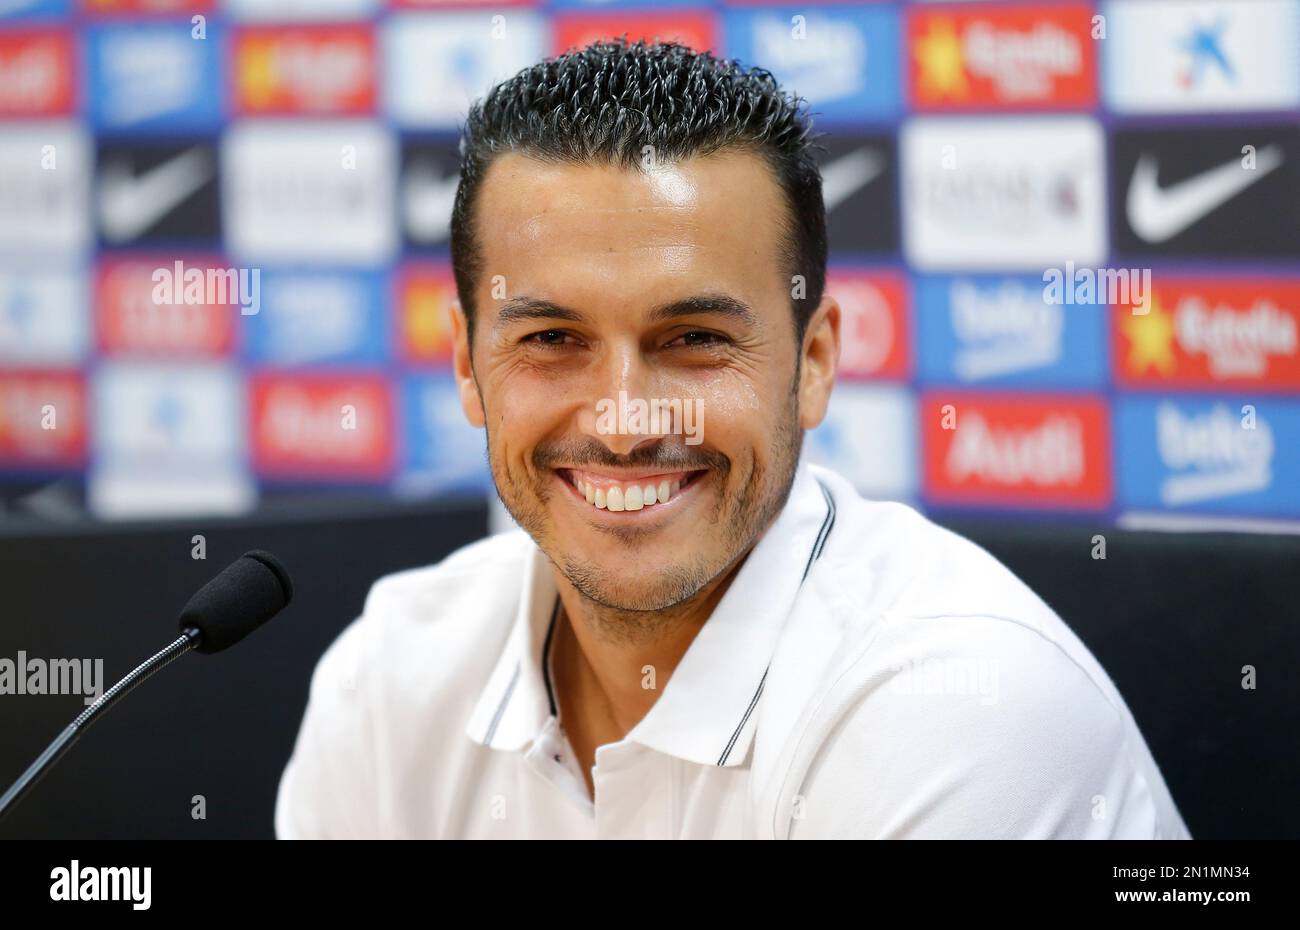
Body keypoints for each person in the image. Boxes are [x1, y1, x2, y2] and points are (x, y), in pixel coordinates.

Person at [275, 38, 1191, 839]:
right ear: (470, 368)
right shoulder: (390, 674)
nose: (626, 420)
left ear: (816, 359)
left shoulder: (962, 711)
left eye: (696, 340)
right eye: (553, 341)